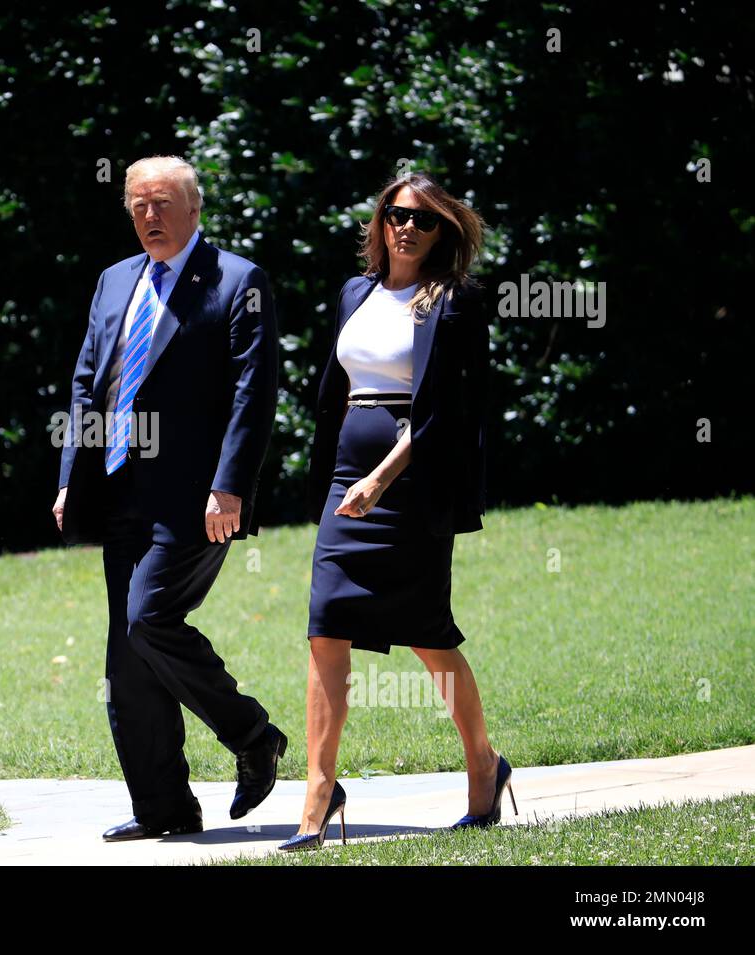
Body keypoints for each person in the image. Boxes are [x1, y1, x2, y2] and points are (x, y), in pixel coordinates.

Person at [280, 173, 516, 852]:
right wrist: (333, 477)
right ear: (380, 222)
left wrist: (383, 478)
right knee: (325, 626)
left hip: (413, 486)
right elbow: (334, 390)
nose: (406, 226)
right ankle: (318, 793)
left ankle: (482, 762)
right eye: (395, 213)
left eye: (423, 218)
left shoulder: (454, 302)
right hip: (346, 481)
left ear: (444, 231)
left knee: (428, 634)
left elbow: (446, 413)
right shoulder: (355, 292)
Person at [52, 155, 284, 840]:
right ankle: (164, 809)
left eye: (161, 202)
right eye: (137, 204)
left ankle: (252, 735)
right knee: (126, 663)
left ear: (194, 208)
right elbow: (86, 380)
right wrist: (71, 474)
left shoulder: (238, 281)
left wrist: (231, 484)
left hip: (196, 498)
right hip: (117, 489)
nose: (149, 215)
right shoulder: (113, 280)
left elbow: (254, 390)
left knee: (149, 618)